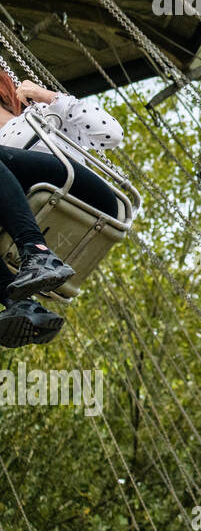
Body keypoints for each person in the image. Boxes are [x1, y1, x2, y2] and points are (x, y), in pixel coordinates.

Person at [0, 76, 124, 348]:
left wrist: (46, 95)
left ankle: (37, 253)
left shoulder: (39, 113)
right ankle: (20, 305)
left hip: (79, 190)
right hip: (38, 209)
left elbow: (112, 133)